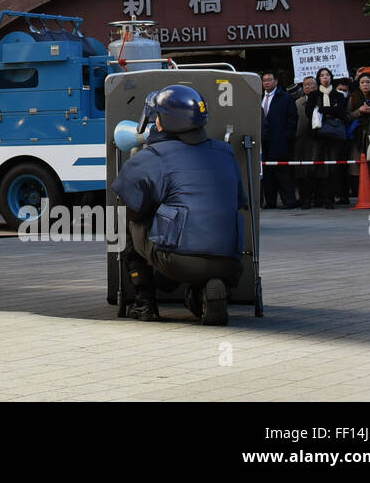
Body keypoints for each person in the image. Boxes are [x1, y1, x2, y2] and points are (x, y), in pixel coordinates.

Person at [112, 84, 248, 326]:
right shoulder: (225, 152)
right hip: (230, 261)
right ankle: (203, 292)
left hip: (177, 260)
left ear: (165, 121)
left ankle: (145, 303)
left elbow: (132, 208)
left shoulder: (152, 155)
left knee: (126, 221)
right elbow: (238, 201)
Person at [307, 68, 348, 205]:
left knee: (333, 166)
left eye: (327, 75)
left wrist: (323, 110)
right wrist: (331, 111)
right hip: (318, 133)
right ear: (318, 78)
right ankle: (308, 198)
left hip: (334, 133)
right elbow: (309, 112)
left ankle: (330, 199)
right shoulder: (314, 95)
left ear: (331, 77)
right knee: (315, 164)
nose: (325, 77)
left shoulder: (339, 95)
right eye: (322, 75)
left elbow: (341, 112)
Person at [260, 69, 297, 208]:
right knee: (267, 173)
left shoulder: (285, 97)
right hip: (264, 141)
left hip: (280, 141)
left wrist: (287, 136)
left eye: (269, 80)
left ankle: (289, 201)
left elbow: (292, 119)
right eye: (264, 80)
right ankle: (270, 202)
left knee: (283, 172)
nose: (267, 83)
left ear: (276, 81)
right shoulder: (259, 97)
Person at [292, 76, 322, 207]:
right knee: (301, 171)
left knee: (316, 169)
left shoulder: (321, 99)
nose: (308, 87)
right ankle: (304, 198)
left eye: (311, 84)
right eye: (305, 85)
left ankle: (318, 198)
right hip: (301, 140)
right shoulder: (298, 102)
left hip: (316, 139)